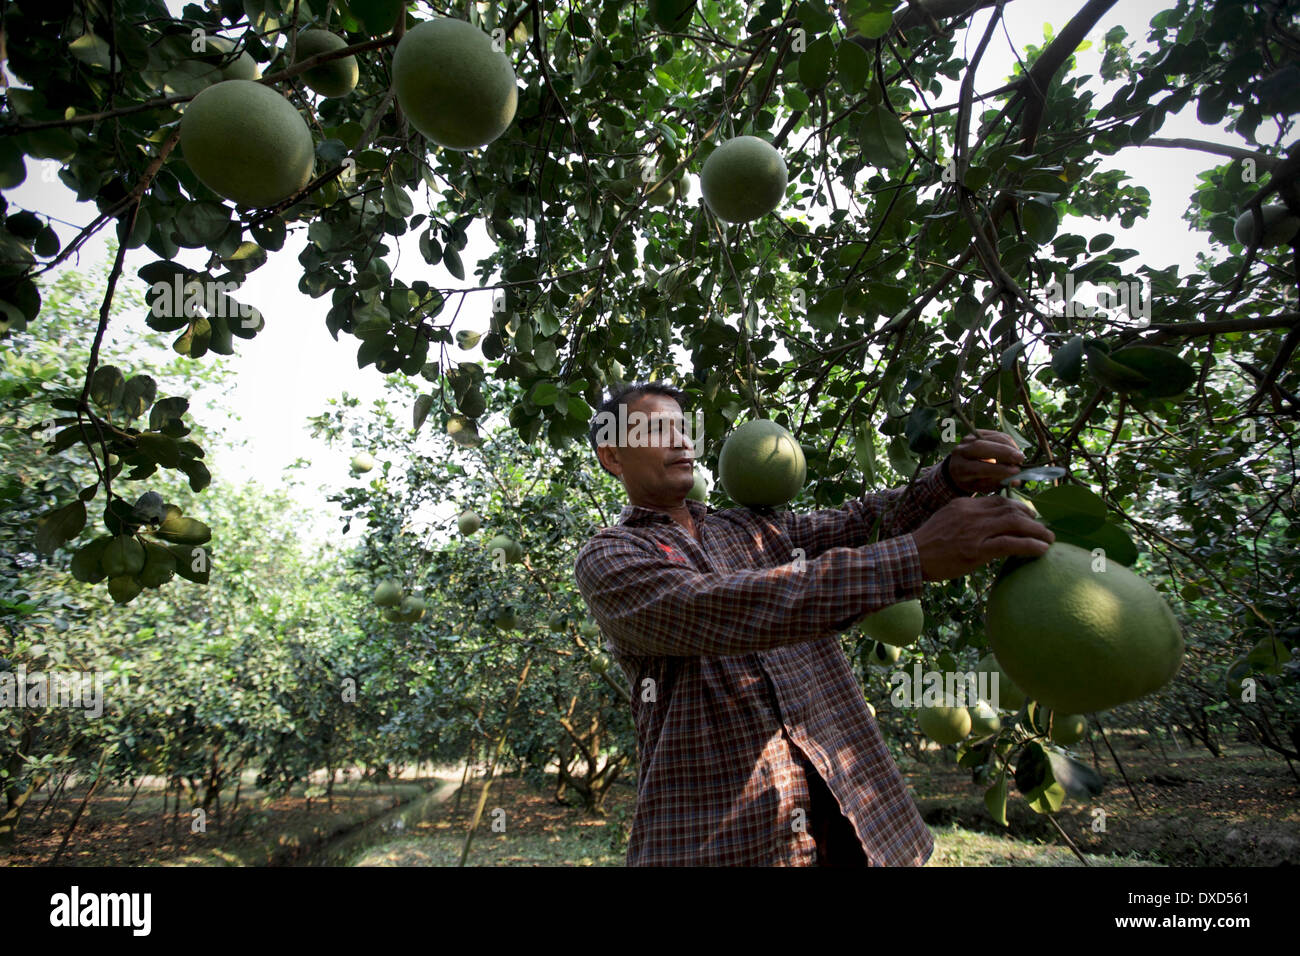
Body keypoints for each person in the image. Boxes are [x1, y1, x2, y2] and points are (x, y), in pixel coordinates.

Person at [573, 381, 1054, 866]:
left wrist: (945, 482)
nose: (681, 441)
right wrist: (913, 558)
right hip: (729, 840)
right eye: (658, 429)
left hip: (854, 820)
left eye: (684, 427)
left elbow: (858, 522)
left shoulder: (751, 530)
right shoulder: (612, 555)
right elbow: (717, 609)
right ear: (613, 458)